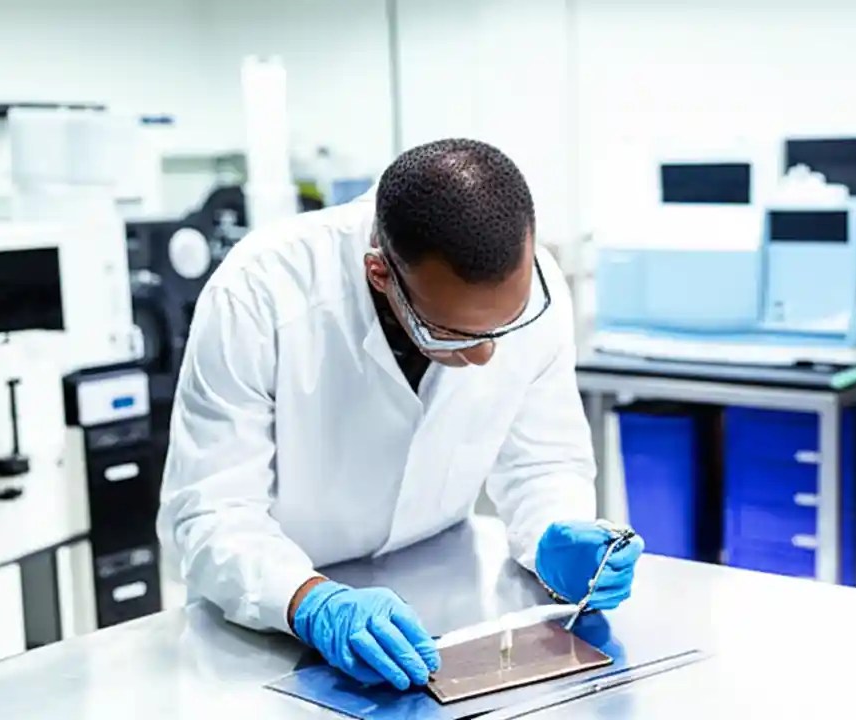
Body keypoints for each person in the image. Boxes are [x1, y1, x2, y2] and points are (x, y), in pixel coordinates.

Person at [157, 138, 644, 691]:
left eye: (503, 326)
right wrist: (310, 600)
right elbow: (211, 512)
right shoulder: (259, 292)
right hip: (268, 622)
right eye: (455, 332)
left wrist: (561, 535)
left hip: (445, 602)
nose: (487, 355)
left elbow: (544, 462)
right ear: (380, 274)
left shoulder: (537, 285)